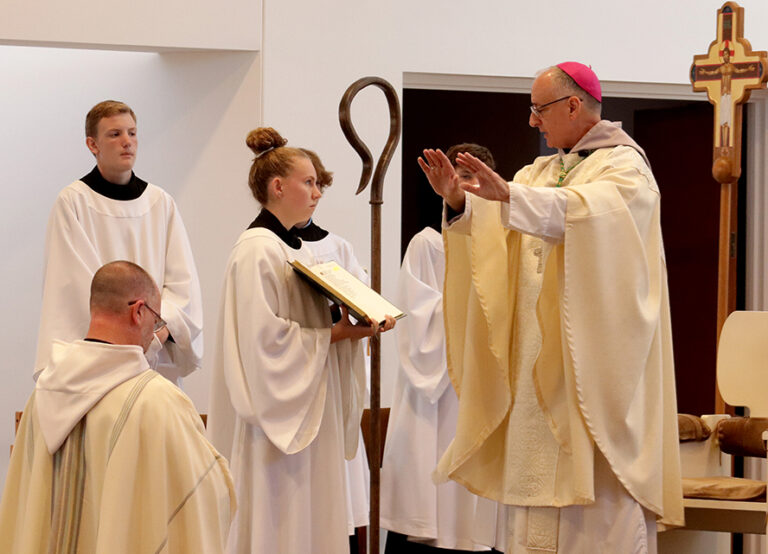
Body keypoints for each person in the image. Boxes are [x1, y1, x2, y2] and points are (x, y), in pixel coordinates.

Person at [419, 62, 683, 553]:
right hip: (536, 365)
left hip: (591, 368)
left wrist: (511, 196)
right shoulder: (537, 171)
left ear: (573, 105)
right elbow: (502, 231)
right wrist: (459, 204)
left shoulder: (625, 169)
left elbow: (590, 211)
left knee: (595, 505)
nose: (532, 122)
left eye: (538, 110)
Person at [206, 127, 396, 553]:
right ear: (278, 187)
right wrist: (337, 333)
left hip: (310, 402)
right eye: (308, 182)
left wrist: (352, 319)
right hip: (277, 417)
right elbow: (264, 341)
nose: (317, 192)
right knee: (280, 520)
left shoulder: (297, 249)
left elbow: (304, 317)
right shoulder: (258, 249)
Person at [0, 261, 235, 553]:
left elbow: (20, 512)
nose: (155, 332)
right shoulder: (158, 402)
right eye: (157, 320)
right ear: (138, 312)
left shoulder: (41, 396)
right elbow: (202, 498)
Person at [34, 100, 203, 384]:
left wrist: (155, 334)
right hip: (98, 361)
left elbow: (182, 286)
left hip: (155, 358)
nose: (127, 142)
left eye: (132, 133)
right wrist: (124, 339)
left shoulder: (160, 203)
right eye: (115, 134)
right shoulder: (74, 202)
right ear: (93, 144)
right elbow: (72, 287)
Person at [382, 144, 498, 553]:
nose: (467, 186)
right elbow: (417, 319)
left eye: (474, 177)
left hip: (488, 387)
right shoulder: (428, 244)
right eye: (460, 176)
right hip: (441, 392)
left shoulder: (505, 240)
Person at [292, 148, 371, 553]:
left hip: (336, 377)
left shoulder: (338, 246)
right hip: (298, 382)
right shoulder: (269, 245)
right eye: (309, 183)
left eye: (320, 183)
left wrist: (371, 315)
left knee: (341, 498)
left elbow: (362, 294)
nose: (317, 192)